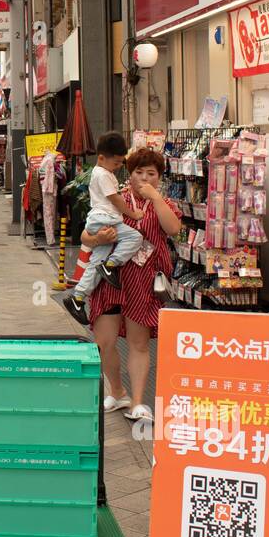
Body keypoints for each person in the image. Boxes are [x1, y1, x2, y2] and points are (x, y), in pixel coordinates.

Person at [84, 147, 181, 425]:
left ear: (159, 177)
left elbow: (173, 229)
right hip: (110, 277)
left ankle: (138, 402)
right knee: (104, 341)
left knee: (139, 343)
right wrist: (98, 239)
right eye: (139, 172)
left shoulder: (163, 202)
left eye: (151, 173)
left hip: (143, 280)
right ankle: (117, 391)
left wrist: (156, 199)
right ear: (130, 173)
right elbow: (86, 235)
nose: (144, 178)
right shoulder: (115, 200)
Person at [63, 132, 145, 326]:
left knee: (95, 263)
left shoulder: (102, 174)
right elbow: (115, 199)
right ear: (101, 158)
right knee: (135, 237)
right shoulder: (103, 174)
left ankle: (78, 297)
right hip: (105, 219)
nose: (118, 167)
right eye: (116, 163)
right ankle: (111, 265)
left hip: (98, 220)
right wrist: (133, 214)